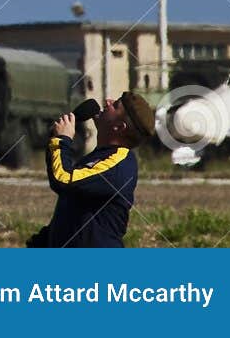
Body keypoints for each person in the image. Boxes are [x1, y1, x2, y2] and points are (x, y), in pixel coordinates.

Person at [34, 92, 156, 247]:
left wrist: (61, 140)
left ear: (119, 126)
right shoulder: (100, 156)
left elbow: (63, 179)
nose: (108, 101)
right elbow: (76, 208)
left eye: (115, 105)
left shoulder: (118, 162)